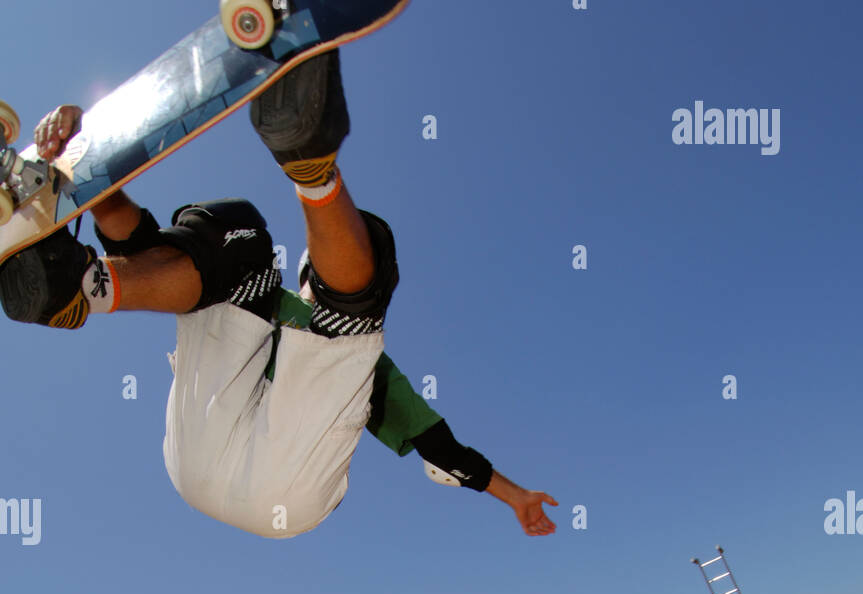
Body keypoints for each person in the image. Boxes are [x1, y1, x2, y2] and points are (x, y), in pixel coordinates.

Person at [2, 59, 558, 542]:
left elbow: (442, 448)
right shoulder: (290, 316)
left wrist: (516, 497)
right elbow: (146, 250)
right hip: (213, 472)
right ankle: (81, 287)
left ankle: (312, 171)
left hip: (265, 480)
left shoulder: (357, 363)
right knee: (234, 241)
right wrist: (88, 165)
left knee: (316, 313)